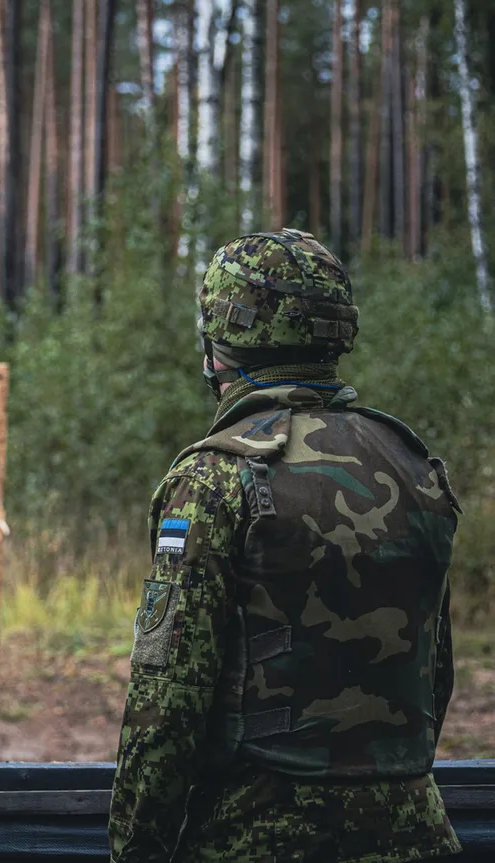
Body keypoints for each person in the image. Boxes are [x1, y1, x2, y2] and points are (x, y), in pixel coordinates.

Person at [108, 230, 462, 862]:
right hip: (416, 831)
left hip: (257, 831)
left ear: (219, 342)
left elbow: (167, 702)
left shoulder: (214, 477)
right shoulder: (414, 466)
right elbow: (434, 676)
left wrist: (136, 849)